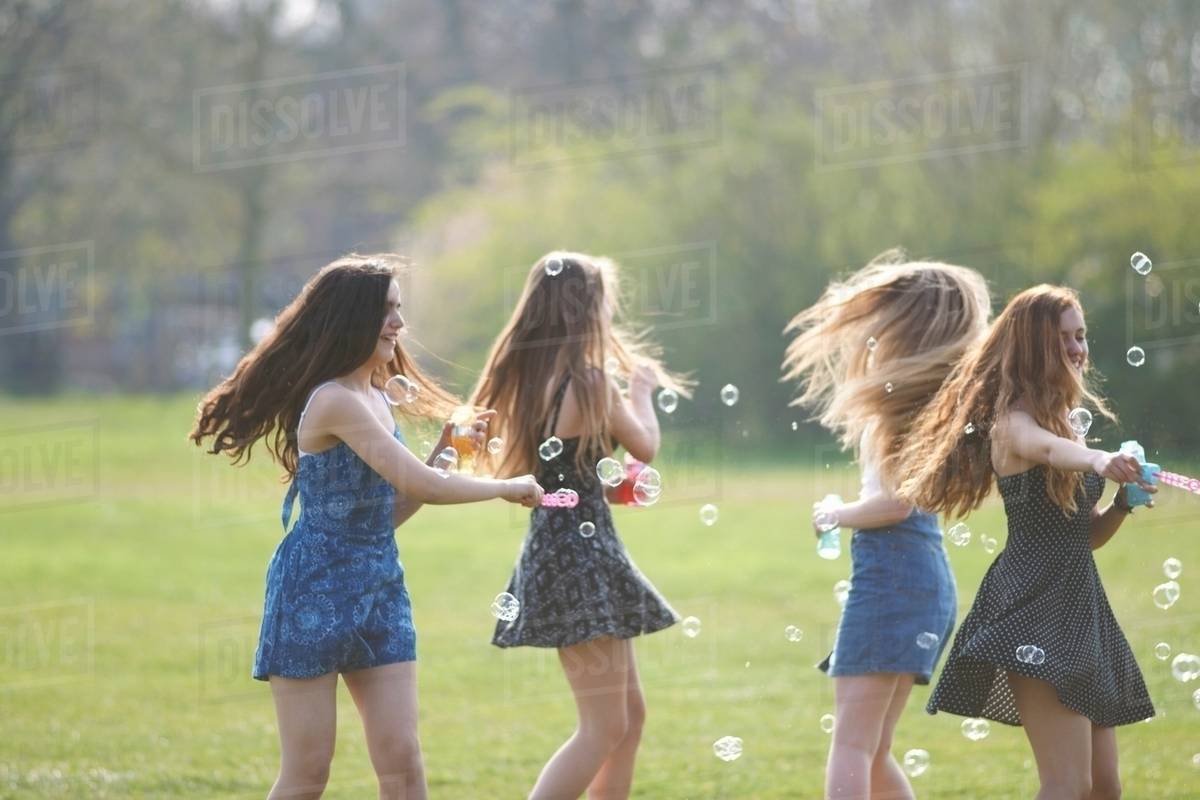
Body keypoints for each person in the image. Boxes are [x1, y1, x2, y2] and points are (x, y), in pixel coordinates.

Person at [190, 254, 544, 800]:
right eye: (385, 312)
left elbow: (391, 513)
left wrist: (445, 454)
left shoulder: (376, 396)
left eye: (399, 310)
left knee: (403, 765)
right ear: (350, 319)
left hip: (379, 584)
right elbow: (422, 487)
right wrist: (503, 485)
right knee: (308, 774)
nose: (398, 325)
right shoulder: (334, 401)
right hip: (313, 590)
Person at [898, 284, 1156, 800]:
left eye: (1082, 336)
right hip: (1030, 607)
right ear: (1036, 346)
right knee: (1067, 784)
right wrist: (1099, 460)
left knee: (1104, 787)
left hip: (1080, 607)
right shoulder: (1012, 423)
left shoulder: (1065, 426)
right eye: (1065, 338)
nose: (1079, 349)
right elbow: (1044, 448)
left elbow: (1082, 538)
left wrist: (1123, 505)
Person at [472, 251, 688, 800]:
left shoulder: (531, 378)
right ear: (588, 309)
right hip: (580, 558)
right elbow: (646, 446)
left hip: (563, 549)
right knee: (603, 727)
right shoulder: (590, 382)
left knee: (629, 718)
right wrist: (640, 390)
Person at [782, 250, 992, 799]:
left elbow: (897, 504)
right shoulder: (933, 401)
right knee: (872, 751)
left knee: (852, 745)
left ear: (911, 328)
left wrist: (835, 513)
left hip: (893, 580)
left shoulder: (908, 405)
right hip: (922, 582)